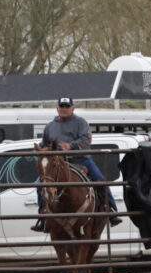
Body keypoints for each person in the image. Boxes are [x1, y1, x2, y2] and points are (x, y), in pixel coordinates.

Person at [30, 97, 114, 230]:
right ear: (57, 108)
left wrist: (71, 146)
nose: (64, 109)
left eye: (66, 106)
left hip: (80, 159)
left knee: (100, 179)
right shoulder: (50, 126)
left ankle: (111, 210)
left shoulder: (81, 122)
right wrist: (39, 149)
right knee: (40, 184)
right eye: (61, 106)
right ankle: (43, 216)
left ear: (72, 108)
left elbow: (87, 139)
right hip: (57, 162)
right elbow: (45, 143)